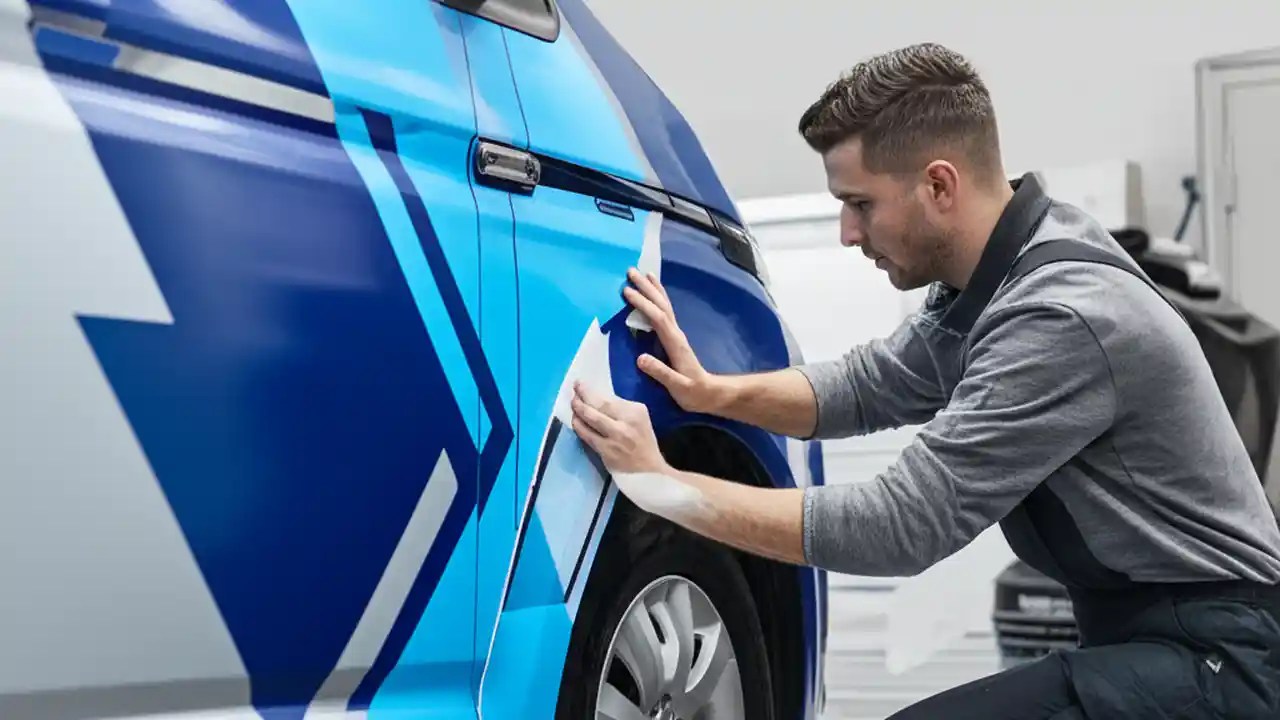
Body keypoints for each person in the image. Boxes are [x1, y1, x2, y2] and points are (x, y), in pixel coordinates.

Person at [568, 42, 1280, 719]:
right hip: (1158, 639)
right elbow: (869, 386)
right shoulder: (1002, 270)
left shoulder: (1060, 317)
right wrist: (713, 391)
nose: (848, 231)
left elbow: (900, 527)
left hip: (1222, 660)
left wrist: (665, 487)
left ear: (939, 184)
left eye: (861, 203)